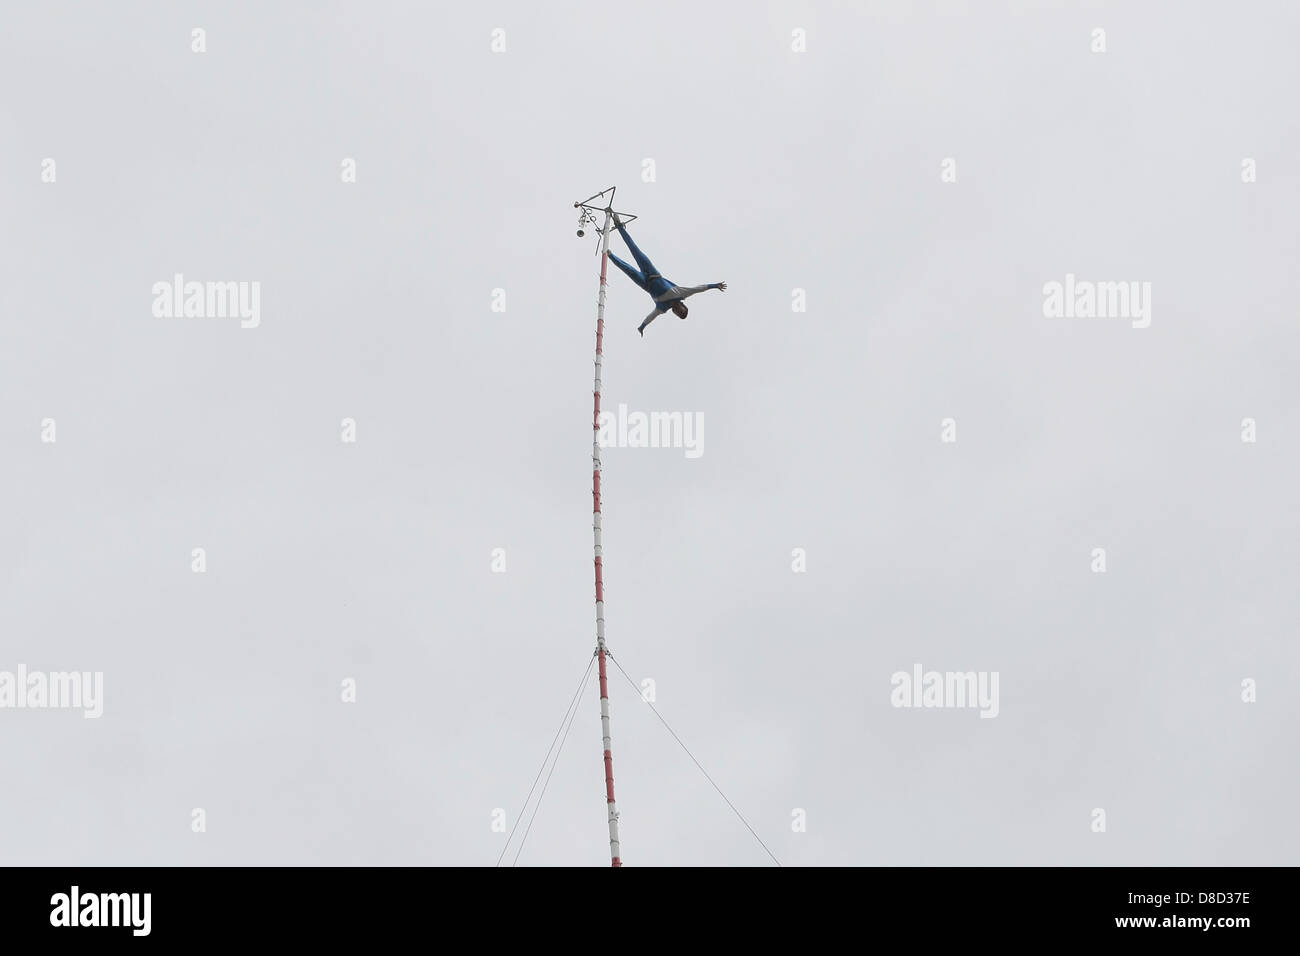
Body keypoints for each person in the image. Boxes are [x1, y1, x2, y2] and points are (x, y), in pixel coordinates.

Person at [606, 216, 726, 336]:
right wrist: (715, 286)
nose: (678, 311)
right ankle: (620, 226)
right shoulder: (681, 293)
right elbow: (698, 288)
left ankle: (609, 254)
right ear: (682, 305)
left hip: (645, 283)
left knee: (628, 270)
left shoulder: (662, 308)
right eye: (680, 310)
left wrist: (642, 326)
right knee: (635, 250)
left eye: (678, 313)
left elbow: (651, 317)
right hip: (653, 273)